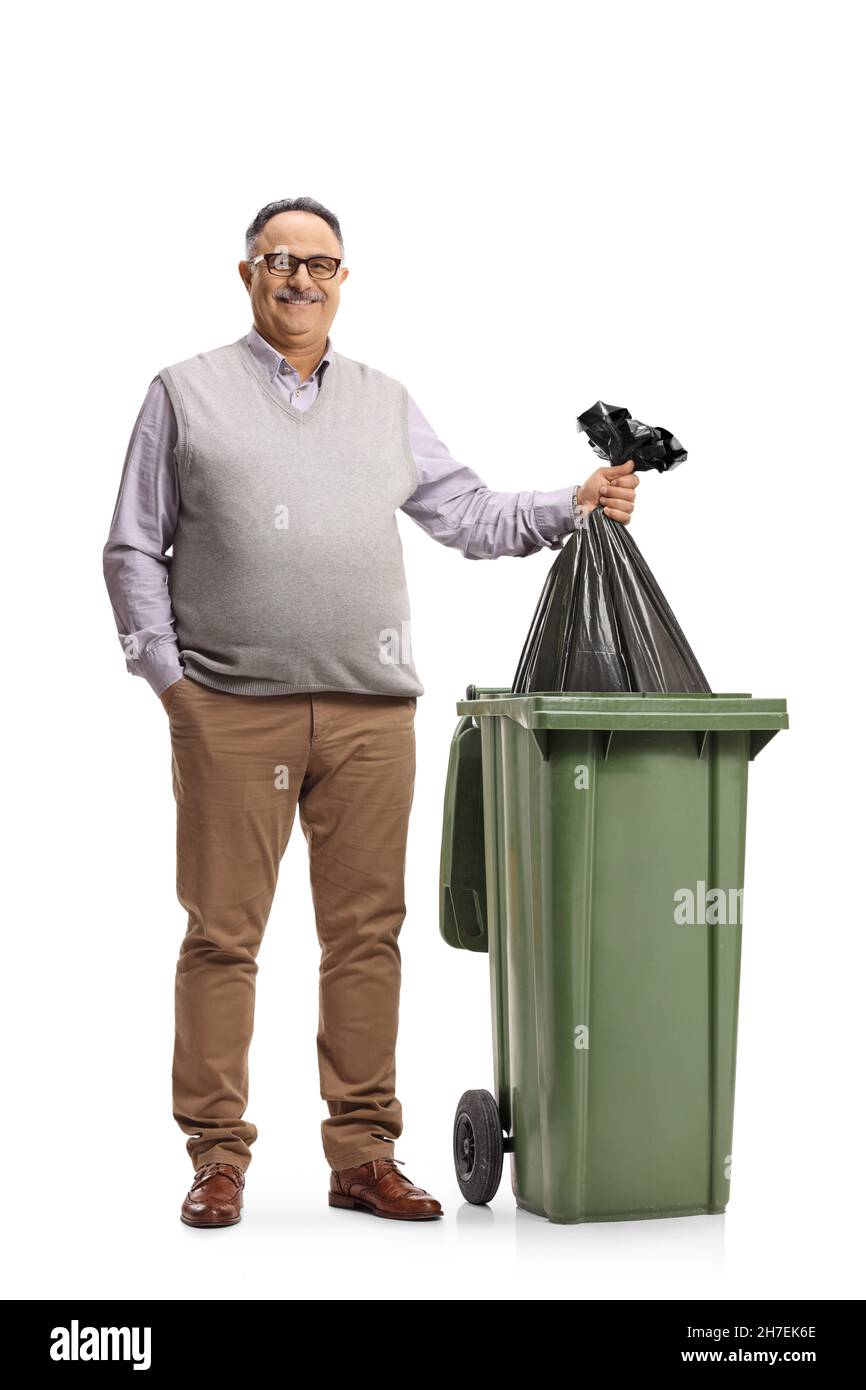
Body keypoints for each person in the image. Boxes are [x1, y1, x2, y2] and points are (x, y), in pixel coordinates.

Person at [102, 195, 639, 1228]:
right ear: (247, 273)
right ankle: (217, 1155)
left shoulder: (385, 401)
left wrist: (571, 505)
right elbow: (131, 545)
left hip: (368, 713)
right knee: (223, 935)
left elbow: (466, 511)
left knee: (367, 936)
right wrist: (170, 681)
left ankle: (361, 1153)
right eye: (280, 260)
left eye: (321, 263)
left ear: (344, 278)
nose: (300, 278)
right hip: (230, 707)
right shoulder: (185, 392)